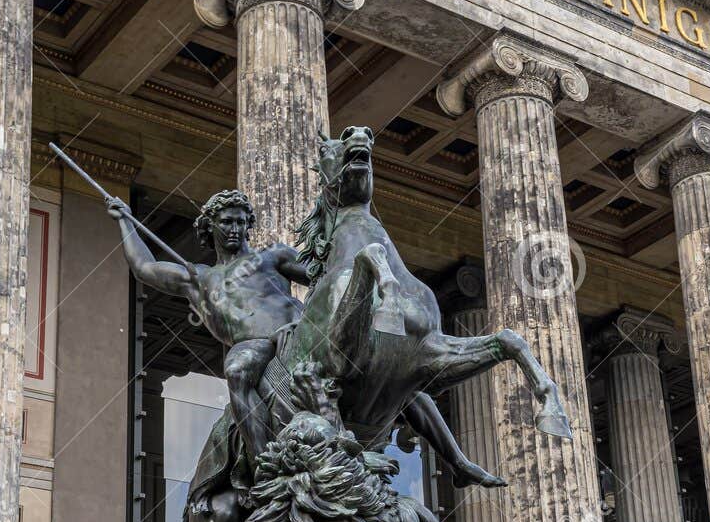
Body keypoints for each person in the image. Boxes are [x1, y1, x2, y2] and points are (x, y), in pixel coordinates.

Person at [109, 190, 496, 487]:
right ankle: (265, 460)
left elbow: (324, 276)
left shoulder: (271, 257)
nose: (234, 228)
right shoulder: (198, 278)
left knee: (402, 375)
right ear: (209, 228)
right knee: (238, 370)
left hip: (297, 330)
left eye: (241, 221)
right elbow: (144, 267)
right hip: (253, 345)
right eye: (225, 221)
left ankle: (456, 461)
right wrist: (126, 220)